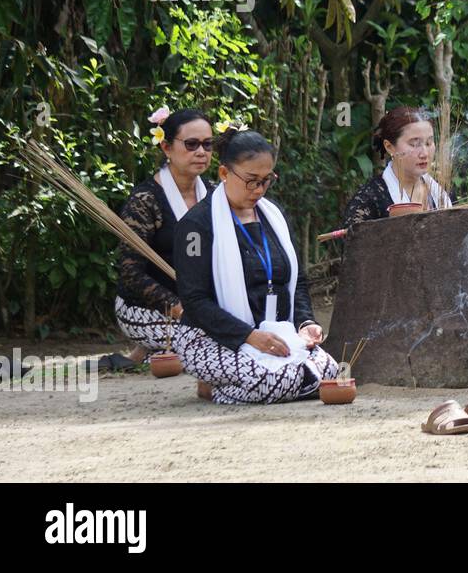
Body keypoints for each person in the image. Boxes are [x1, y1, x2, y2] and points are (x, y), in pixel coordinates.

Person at [173, 126, 340, 404]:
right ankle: (216, 386)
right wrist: (249, 336)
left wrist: (305, 322)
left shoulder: (274, 216)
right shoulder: (195, 226)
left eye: (266, 180)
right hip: (212, 336)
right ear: (224, 173)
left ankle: (235, 387)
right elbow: (195, 300)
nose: (259, 190)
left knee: (330, 371)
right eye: (251, 180)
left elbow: (294, 279)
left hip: (275, 333)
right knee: (277, 380)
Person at [103, 107, 212, 371]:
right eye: (191, 144)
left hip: (200, 307)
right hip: (147, 309)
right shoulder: (146, 200)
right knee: (213, 342)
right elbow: (130, 273)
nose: (201, 152)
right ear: (166, 147)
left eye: (208, 144)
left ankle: (147, 355)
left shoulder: (215, 195)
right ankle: (150, 352)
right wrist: (177, 307)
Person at [342, 106, 452, 228]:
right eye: (414, 144)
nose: (424, 153)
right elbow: (353, 244)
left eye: (429, 143)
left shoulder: (442, 192)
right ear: (389, 147)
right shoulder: (369, 200)